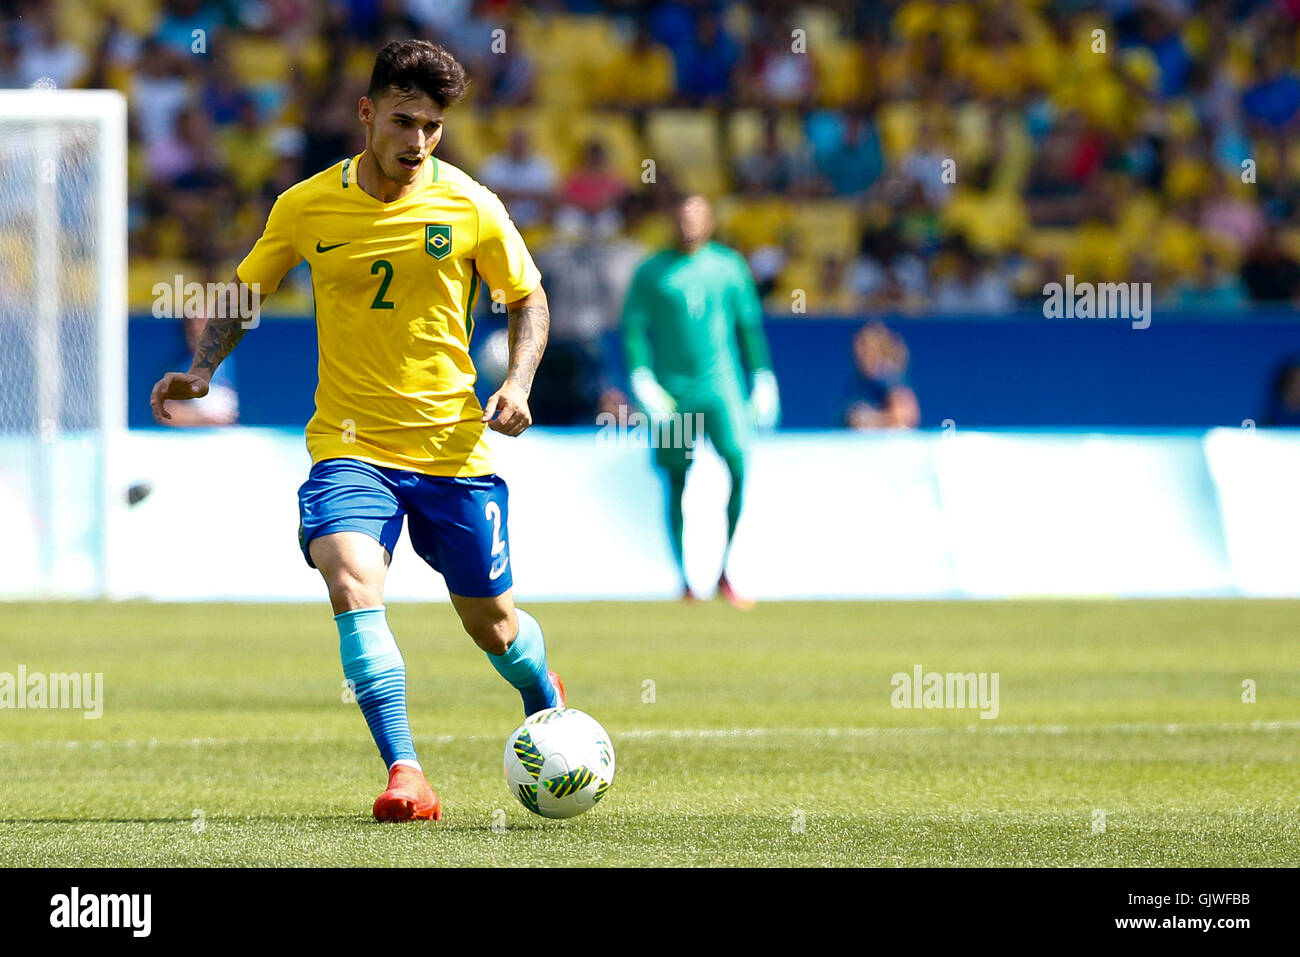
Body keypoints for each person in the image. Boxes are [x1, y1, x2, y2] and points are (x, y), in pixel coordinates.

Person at [149, 40, 564, 823]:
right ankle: (407, 772)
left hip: (451, 448)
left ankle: (543, 693)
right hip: (350, 446)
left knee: (494, 626)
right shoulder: (305, 205)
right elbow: (247, 290)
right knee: (349, 578)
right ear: (367, 113)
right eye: (404, 121)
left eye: (432, 127)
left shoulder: (471, 203)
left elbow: (527, 297)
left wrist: (517, 382)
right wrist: (203, 370)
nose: (418, 141)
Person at [621, 194, 779, 608]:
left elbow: (749, 327)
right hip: (673, 394)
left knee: (739, 464)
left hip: (721, 387)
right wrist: (641, 376)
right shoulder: (652, 271)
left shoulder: (729, 267)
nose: (688, 224)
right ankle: (686, 579)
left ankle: (727, 568)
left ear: (709, 222)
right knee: (677, 478)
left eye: (696, 217)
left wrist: (762, 376)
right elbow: (634, 327)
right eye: (682, 217)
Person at [842, 321, 920, 430]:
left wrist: (871, 420)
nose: (860, 352)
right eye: (859, 347)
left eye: (866, 347)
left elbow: (906, 417)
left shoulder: (890, 378)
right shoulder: (860, 381)